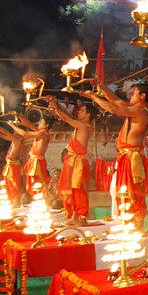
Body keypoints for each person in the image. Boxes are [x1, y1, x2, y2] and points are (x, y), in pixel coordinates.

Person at [81, 82, 148, 229]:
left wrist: (94, 96)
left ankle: (136, 227)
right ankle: (127, 224)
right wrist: (101, 86)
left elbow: (113, 108)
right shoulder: (134, 108)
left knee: (132, 194)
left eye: (134, 93)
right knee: (123, 192)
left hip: (132, 159)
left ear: (142, 96)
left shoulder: (140, 111)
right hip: (125, 157)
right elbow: (116, 101)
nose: (130, 95)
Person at [47, 96, 98, 226]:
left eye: (82, 110)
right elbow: (67, 116)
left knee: (79, 190)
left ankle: (81, 218)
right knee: (71, 190)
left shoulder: (84, 126)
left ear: (88, 115)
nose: (79, 111)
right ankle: (75, 217)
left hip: (78, 163)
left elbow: (66, 118)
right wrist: (56, 104)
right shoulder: (81, 124)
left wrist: (56, 106)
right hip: (72, 161)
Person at [8, 112, 52, 199]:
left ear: (46, 125)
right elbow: (29, 124)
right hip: (34, 161)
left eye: (41, 122)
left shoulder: (42, 134)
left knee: (39, 182)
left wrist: (12, 126)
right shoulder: (40, 132)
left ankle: (42, 199)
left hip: (38, 162)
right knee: (33, 182)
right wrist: (19, 116)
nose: (39, 123)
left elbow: (25, 134)